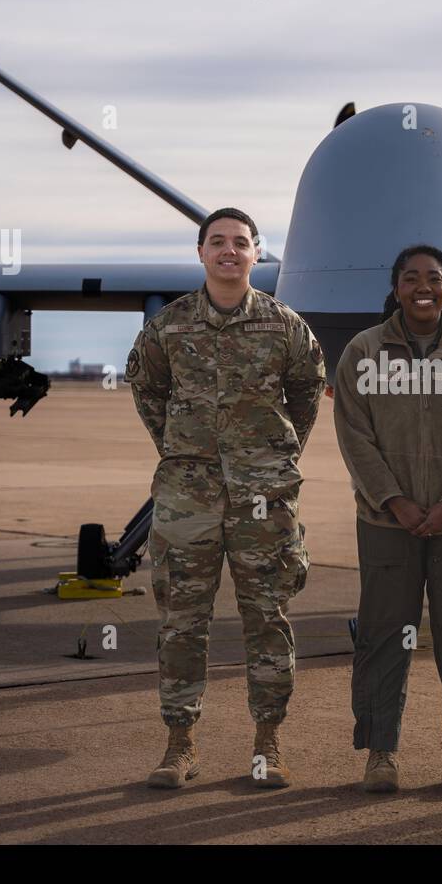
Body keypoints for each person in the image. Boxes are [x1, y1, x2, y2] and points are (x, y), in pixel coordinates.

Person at [124, 207, 326, 790]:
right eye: (218, 242)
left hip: (265, 497)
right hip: (189, 497)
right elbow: (149, 392)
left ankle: (268, 743)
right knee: (182, 622)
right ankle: (179, 744)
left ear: (256, 254)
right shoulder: (169, 326)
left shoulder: (286, 326)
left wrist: (271, 456)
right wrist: (186, 453)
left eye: (241, 243)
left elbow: (306, 394)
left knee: (268, 617)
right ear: (202, 253)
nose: (229, 251)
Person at [332, 245, 442, 795]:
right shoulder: (364, 353)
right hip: (388, 526)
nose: (423, 287)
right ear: (396, 287)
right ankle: (381, 752)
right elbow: (353, 434)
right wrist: (395, 501)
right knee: (385, 637)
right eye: (411, 278)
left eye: (434, 277)